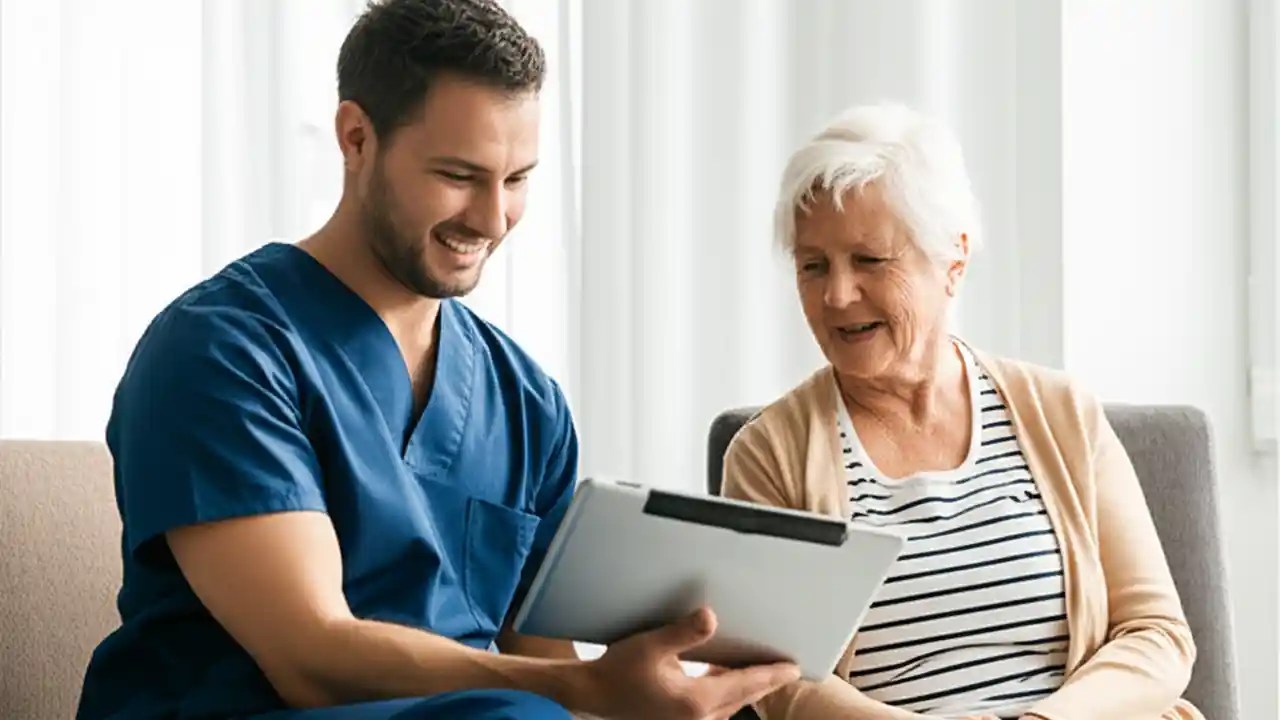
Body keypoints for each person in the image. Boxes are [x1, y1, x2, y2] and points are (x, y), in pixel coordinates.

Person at [75, 2, 799, 718]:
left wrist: (644, 695)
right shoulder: (223, 353)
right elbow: (310, 659)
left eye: (516, 180)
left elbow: (541, 665)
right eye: (459, 175)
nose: (492, 219)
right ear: (356, 138)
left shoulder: (525, 401)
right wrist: (580, 693)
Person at [720, 103, 1201, 720]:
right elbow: (781, 678)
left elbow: (1157, 632)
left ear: (953, 261)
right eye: (813, 266)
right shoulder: (769, 454)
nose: (837, 295)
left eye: (869, 260)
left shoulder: (1062, 413)